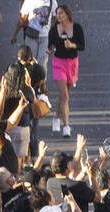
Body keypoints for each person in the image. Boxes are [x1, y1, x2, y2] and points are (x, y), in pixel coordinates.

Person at [46, 4, 82, 137]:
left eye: (61, 13)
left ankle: (56, 116)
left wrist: (72, 45)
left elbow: (82, 45)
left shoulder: (76, 28)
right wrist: (49, 50)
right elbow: (51, 45)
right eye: (57, 13)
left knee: (65, 95)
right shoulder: (54, 30)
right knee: (65, 95)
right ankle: (66, 126)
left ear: (67, 14)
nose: (59, 16)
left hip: (72, 64)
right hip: (59, 63)